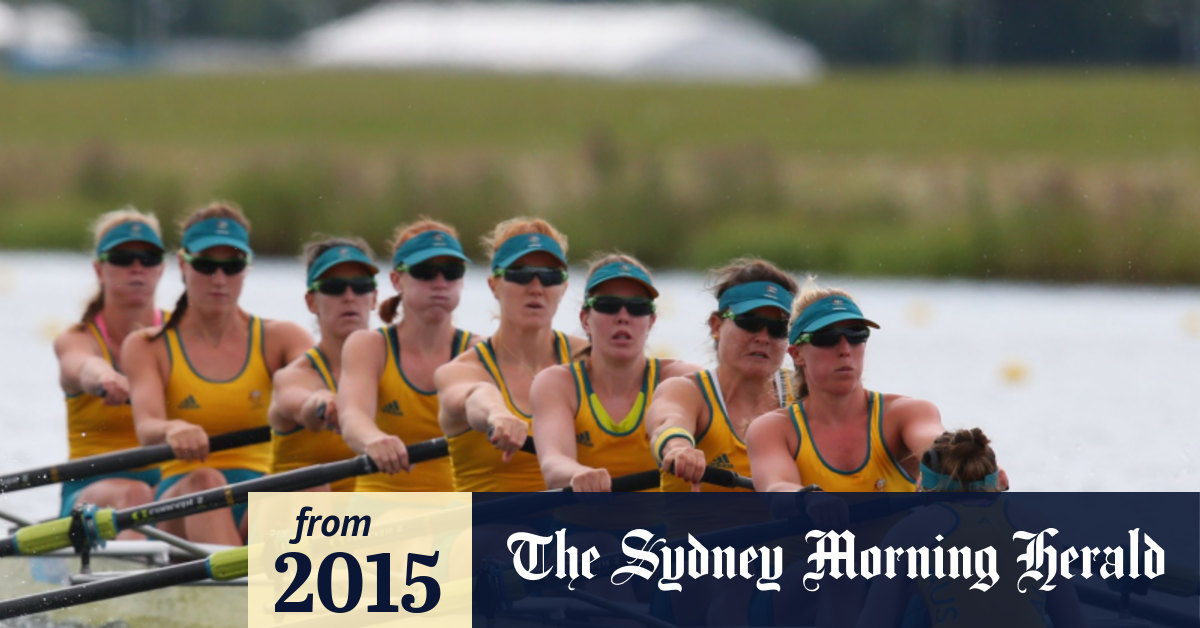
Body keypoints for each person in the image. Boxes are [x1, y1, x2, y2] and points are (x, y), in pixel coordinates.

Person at [123, 202, 312, 544]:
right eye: (207, 265)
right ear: (182, 264)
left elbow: (312, 383)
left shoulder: (284, 338)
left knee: (312, 481)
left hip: (258, 500)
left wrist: (319, 401)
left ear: (246, 267)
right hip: (183, 498)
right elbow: (147, 427)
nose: (220, 279)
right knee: (206, 482)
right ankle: (240, 590)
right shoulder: (148, 345)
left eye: (233, 265)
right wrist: (173, 427)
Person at [854, 429, 1080, 628]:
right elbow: (1072, 622)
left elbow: (876, 622)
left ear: (923, 485)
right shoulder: (1036, 524)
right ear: (999, 479)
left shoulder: (909, 532)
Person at [747, 279, 945, 492]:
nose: (845, 349)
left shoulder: (909, 414)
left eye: (855, 335)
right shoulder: (772, 430)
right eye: (828, 337)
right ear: (797, 354)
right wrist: (806, 500)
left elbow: (937, 447)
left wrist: (956, 460)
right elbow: (777, 487)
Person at [435, 217, 588, 492]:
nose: (536, 288)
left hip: (566, 529)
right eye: (520, 273)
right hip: (482, 528)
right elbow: (475, 395)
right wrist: (496, 414)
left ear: (563, 288)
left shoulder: (589, 360)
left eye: (550, 276)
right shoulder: (459, 371)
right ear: (494, 285)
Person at [532, 254, 700, 492]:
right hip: (583, 525)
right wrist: (578, 473)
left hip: (660, 528)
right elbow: (553, 463)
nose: (623, 317)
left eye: (637, 307)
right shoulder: (557, 383)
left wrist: (680, 449)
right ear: (585, 319)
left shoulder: (683, 379)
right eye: (608, 305)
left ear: (651, 321)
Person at [339, 220, 477, 491]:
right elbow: (352, 416)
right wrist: (373, 439)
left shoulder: (478, 351)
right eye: (425, 272)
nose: (440, 283)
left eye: (451, 271)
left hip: (456, 516)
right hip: (380, 509)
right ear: (396, 280)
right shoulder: (368, 346)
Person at [54, 208, 166, 531]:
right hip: (90, 492)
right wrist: (105, 378)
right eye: (122, 257)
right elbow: (82, 365)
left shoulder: (182, 336)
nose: (136, 267)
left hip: (168, 489)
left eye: (149, 258)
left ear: (161, 269)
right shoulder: (77, 339)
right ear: (99, 268)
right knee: (135, 496)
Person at [646, 257, 798, 492]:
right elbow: (668, 422)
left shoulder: (805, 393)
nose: (763, 337)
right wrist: (678, 448)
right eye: (750, 321)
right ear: (716, 326)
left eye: (778, 327)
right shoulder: (686, 392)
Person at [268, 236, 379, 492]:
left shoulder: (397, 367)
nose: (349, 296)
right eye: (334, 287)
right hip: (293, 519)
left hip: (367, 521)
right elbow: (304, 405)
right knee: (313, 487)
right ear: (311, 302)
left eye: (361, 286)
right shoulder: (295, 376)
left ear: (374, 299)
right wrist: (321, 404)